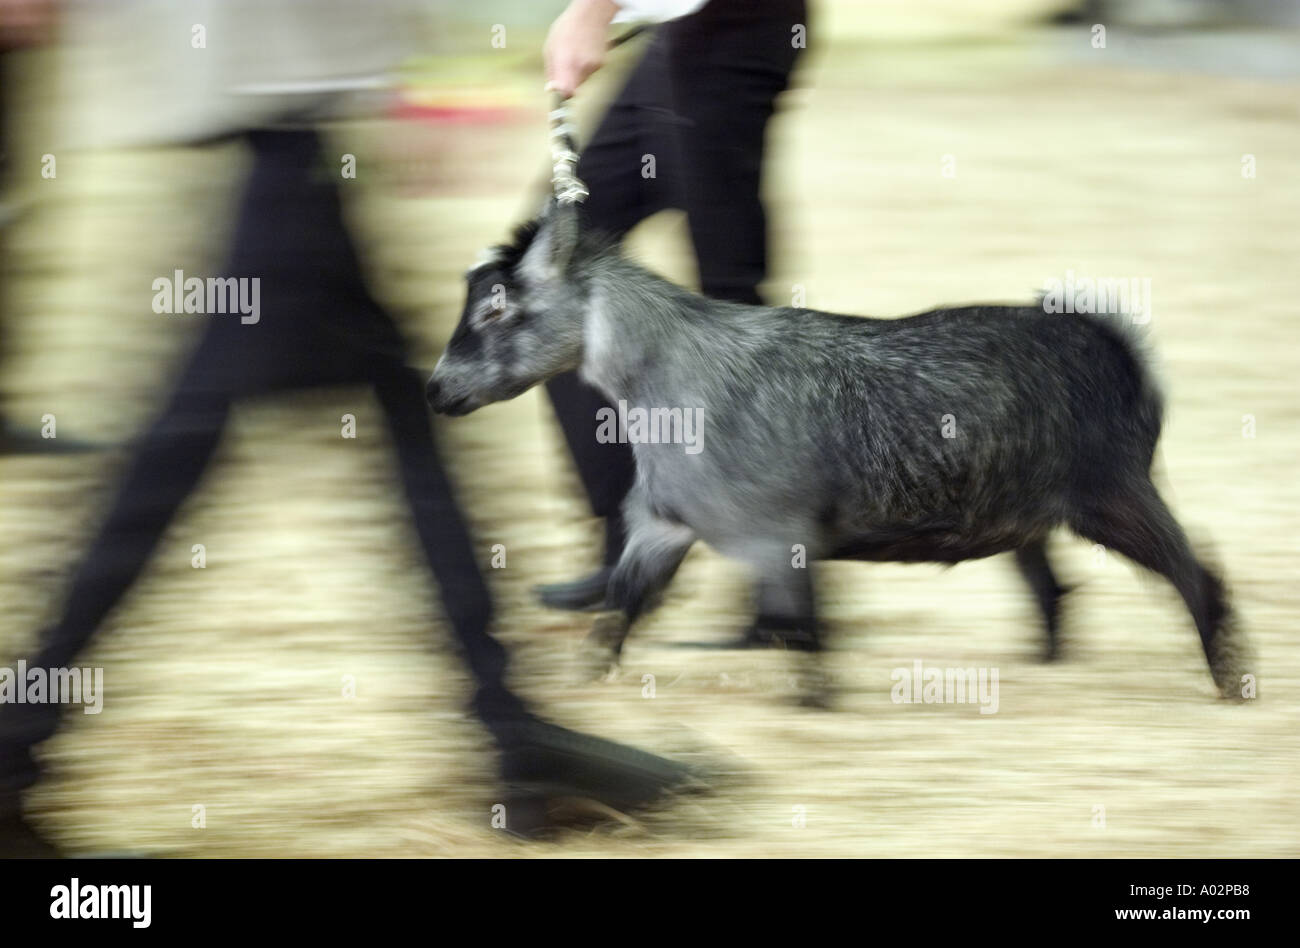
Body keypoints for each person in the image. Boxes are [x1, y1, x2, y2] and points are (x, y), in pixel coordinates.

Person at [0, 0, 692, 856]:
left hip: (283, 109)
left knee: (394, 422)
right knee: (181, 454)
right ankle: (13, 748)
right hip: (272, 104)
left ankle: (514, 737)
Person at [535, 0, 810, 616]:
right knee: (553, 266)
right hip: (681, 33)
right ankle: (635, 542)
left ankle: (786, 595)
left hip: (727, 31)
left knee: (736, 313)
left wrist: (590, 10)